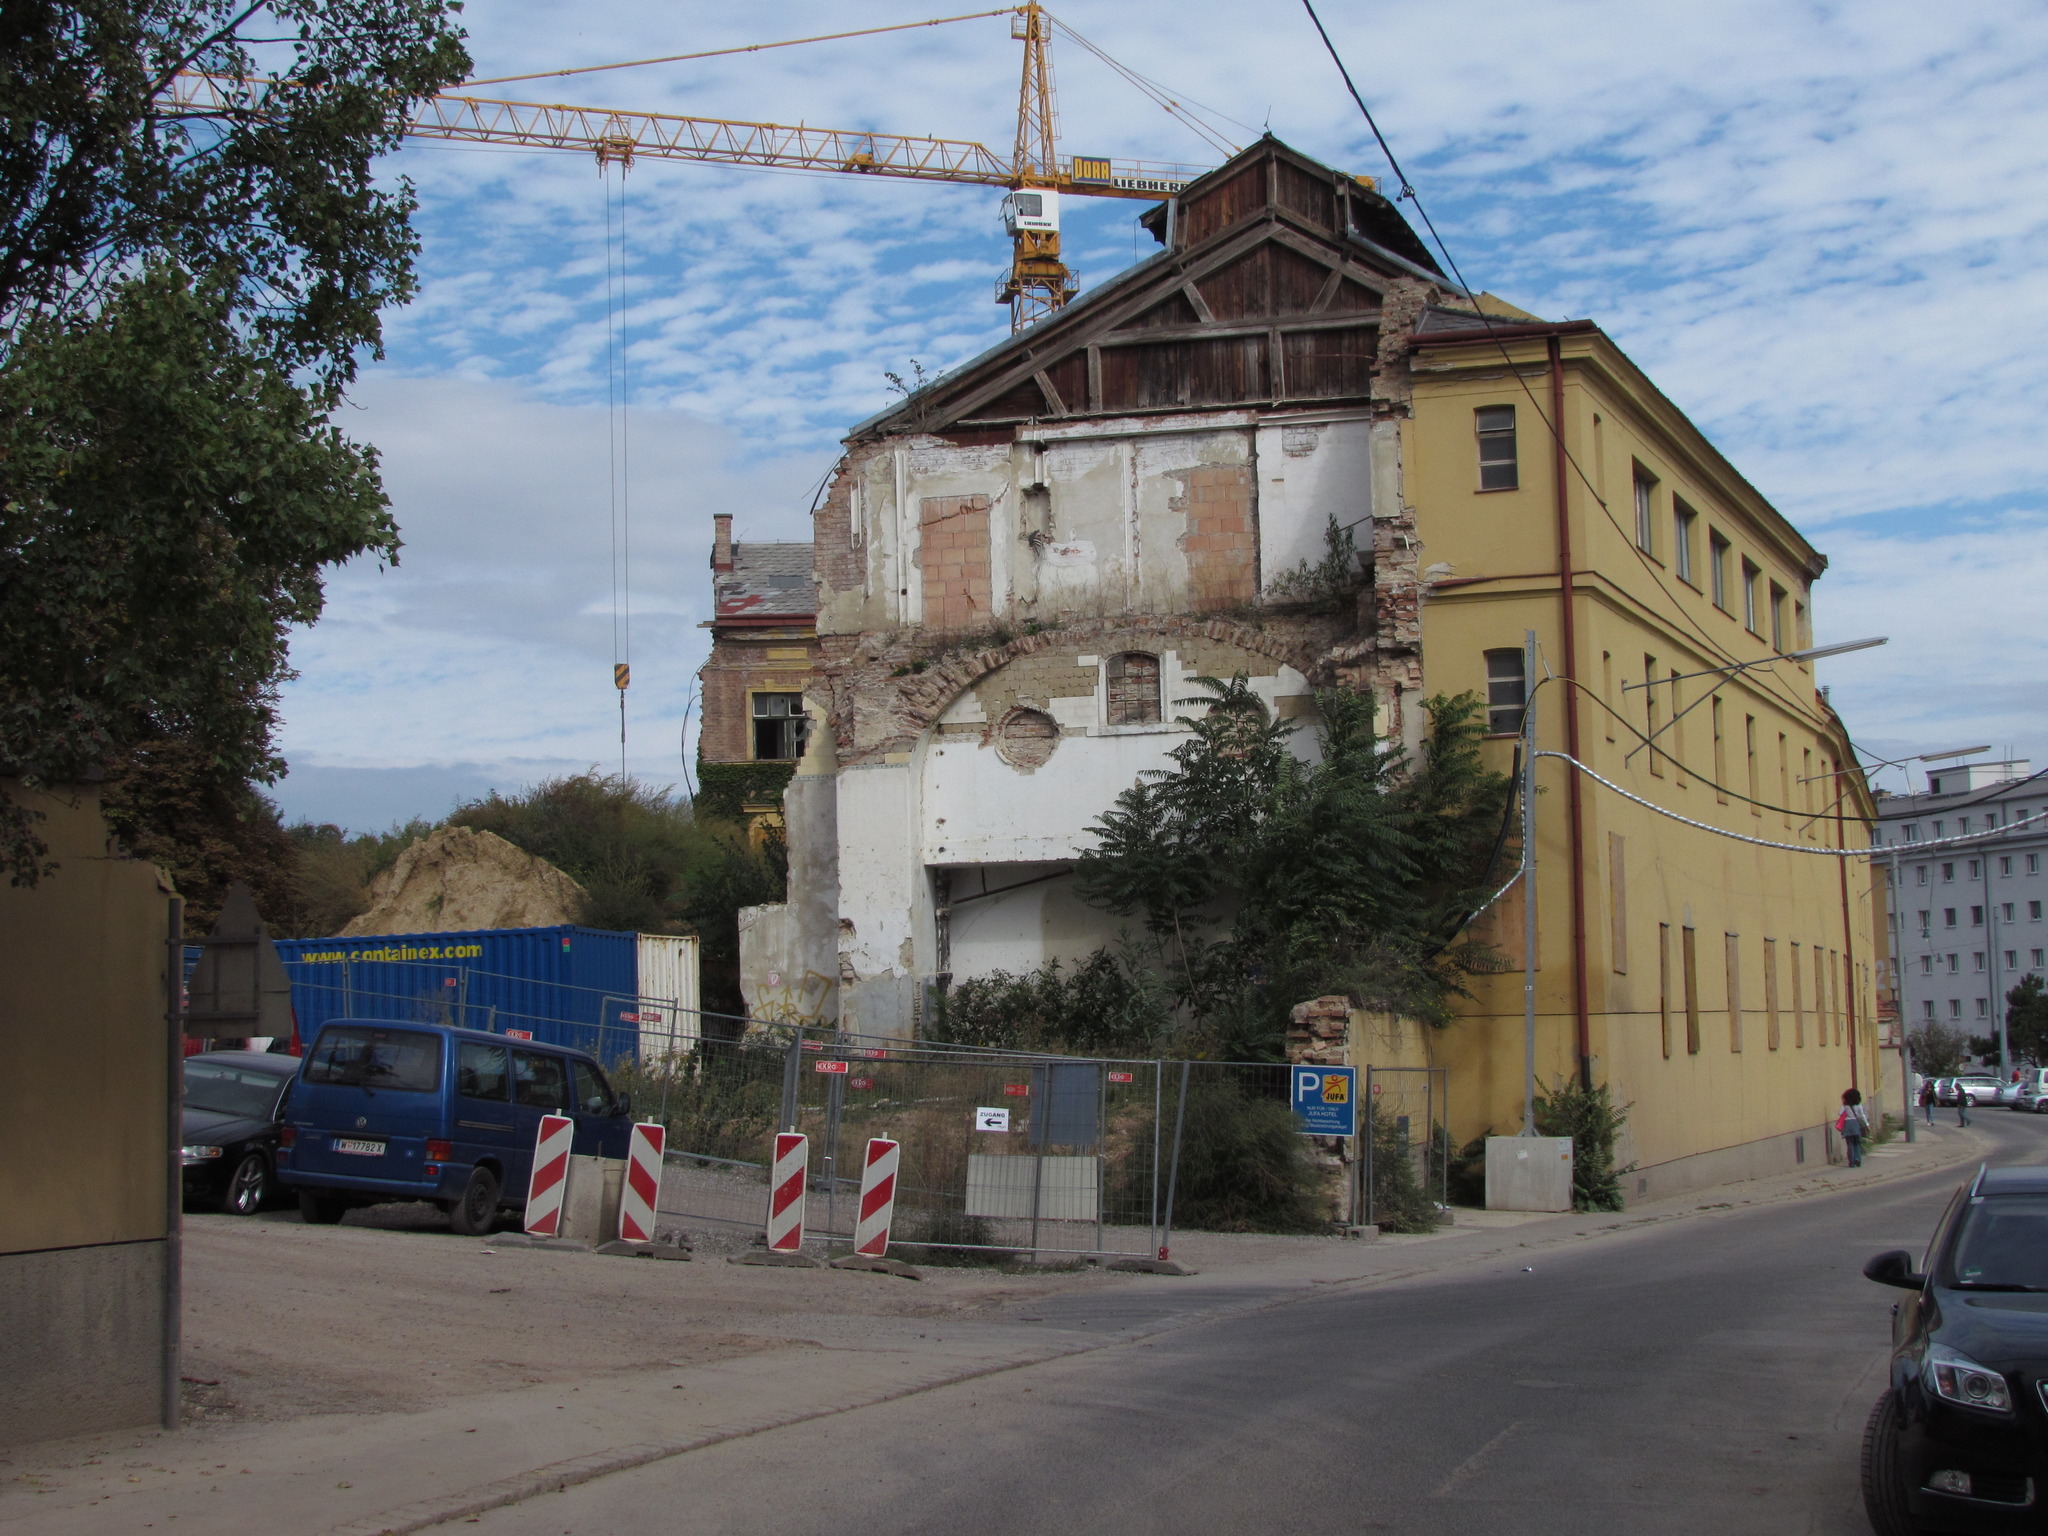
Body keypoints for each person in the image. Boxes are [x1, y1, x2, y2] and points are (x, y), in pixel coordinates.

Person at [1838, 1088, 1870, 1168]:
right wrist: (1866, 1124)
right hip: (1856, 1124)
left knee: (1850, 1144)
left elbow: (1840, 1113)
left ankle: (1851, 1162)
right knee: (1857, 1143)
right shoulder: (1858, 1105)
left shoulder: (1845, 1106)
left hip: (1848, 1124)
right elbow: (1862, 1116)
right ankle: (1857, 1158)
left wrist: (1846, 1113)